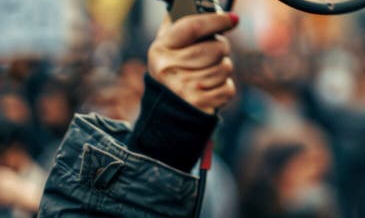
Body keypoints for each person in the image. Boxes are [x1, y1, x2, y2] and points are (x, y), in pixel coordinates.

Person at [37, 12, 239, 217]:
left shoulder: (209, 173)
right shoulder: (79, 146)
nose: (131, 85)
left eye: (139, 76)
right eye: (124, 77)